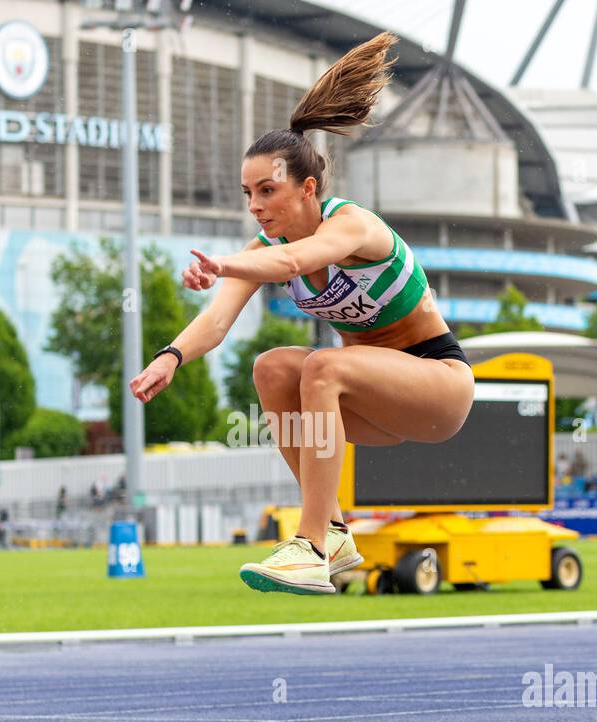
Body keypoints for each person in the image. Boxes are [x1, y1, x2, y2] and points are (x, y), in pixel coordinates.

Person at [130, 35, 474, 594]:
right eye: (247, 194)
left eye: (267, 190)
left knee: (323, 366)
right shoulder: (263, 248)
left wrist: (224, 264)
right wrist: (170, 357)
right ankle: (334, 530)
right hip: (372, 404)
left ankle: (310, 543)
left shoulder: (352, 226)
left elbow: (297, 257)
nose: (255, 207)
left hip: (439, 387)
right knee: (271, 367)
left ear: (308, 187)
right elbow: (216, 324)